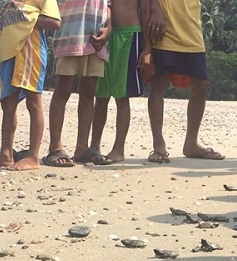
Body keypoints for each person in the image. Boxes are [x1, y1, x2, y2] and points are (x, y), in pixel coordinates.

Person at [0, 0, 61, 170]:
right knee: (7, 103)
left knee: (33, 101)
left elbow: (55, 22)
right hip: (6, 51)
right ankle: (6, 154)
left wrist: (25, 15)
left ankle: (33, 157)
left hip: (31, 47)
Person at [146, 0, 224, 163]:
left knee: (201, 84)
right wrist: (154, 8)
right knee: (158, 82)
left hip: (191, 24)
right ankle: (158, 144)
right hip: (164, 22)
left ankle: (191, 143)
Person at [42, 0, 111, 167]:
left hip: (95, 38)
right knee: (63, 88)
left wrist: (109, 28)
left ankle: (82, 147)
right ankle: (55, 146)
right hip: (69, 35)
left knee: (89, 91)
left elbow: (109, 5)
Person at [88, 0, 154, 164]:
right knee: (101, 95)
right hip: (103, 36)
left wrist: (147, 48)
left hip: (129, 35)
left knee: (122, 96)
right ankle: (94, 146)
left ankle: (119, 148)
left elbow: (145, 11)